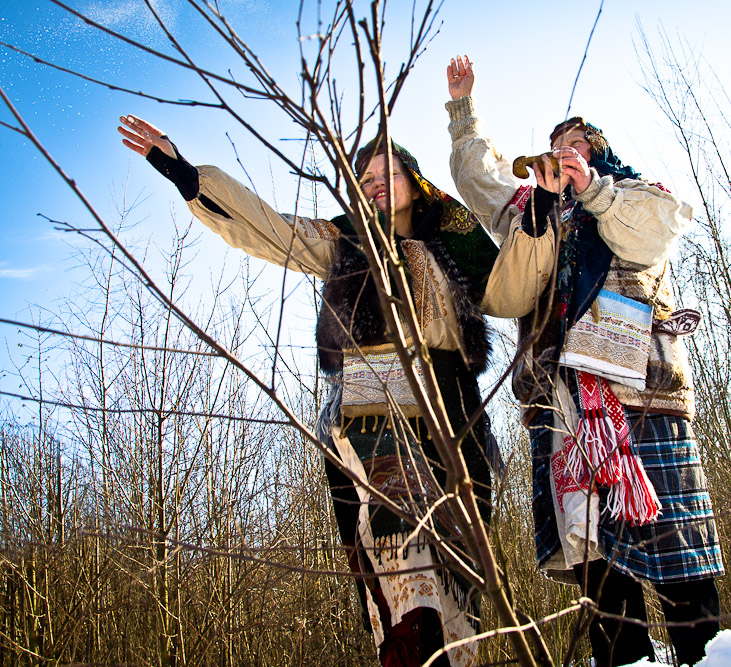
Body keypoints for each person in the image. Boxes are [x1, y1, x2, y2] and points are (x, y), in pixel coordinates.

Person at [117, 114, 501, 667]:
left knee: (460, 572)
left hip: (452, 416)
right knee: (399, 562)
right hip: (372, 417)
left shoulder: (456, 244)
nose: (372, 184)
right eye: (363, 179)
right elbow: (271, 229)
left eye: (384, 173)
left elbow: (516, 287)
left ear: (414, 180)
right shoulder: (345, 241)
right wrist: (185, 174)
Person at [443, 56, 725, 666]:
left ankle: (708, 660)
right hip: (564, 405)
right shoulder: (532, 212)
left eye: (576, 147)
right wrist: (463, 112)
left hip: (642, 396)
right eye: (555, 150)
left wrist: (593, 190)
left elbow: (650, 237)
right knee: (600, 570)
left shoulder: (636, 196)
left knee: (680, 565)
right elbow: (480, 177)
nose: (563, 156)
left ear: (597, 154)